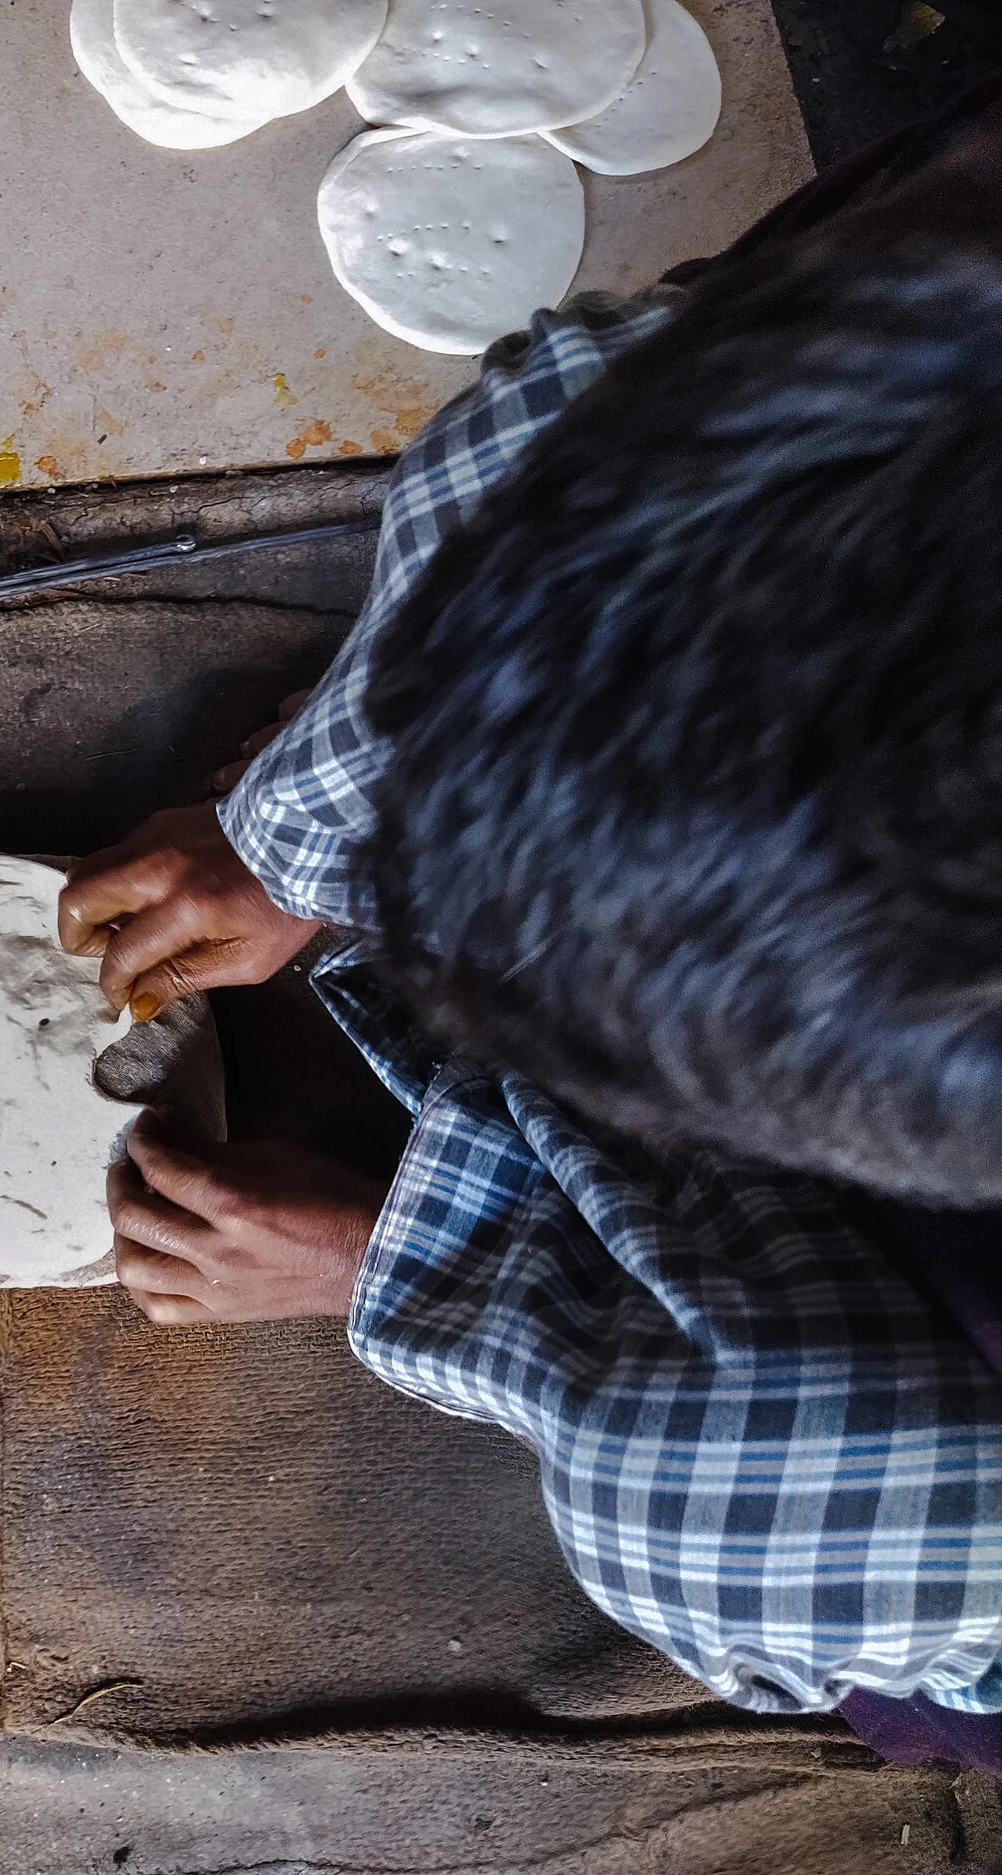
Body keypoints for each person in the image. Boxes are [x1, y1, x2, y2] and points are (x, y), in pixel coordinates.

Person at [59, 80, 1002, 1766]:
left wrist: (417, 1271)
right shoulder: (940, 302)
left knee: (739, 1525)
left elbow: (854, 1484)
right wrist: (308, 836)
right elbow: (575, 428)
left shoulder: (820, 1515)